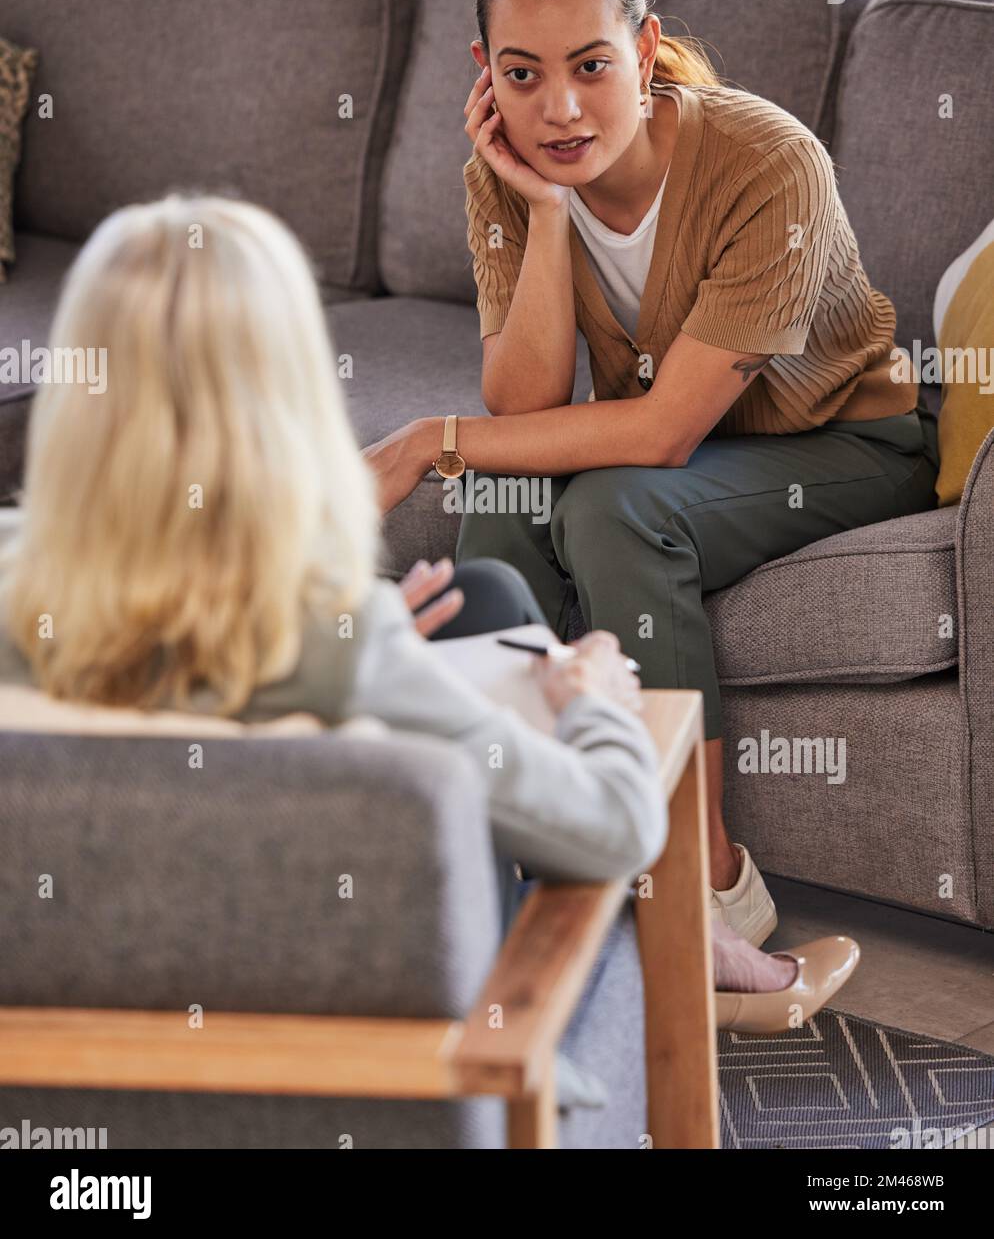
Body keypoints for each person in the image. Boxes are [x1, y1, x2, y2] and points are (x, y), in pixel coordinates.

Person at [0, 192, 857, 1035]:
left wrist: (369, 666)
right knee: (539, 694)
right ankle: (698, 942)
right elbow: (615, 828)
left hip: (74, 991)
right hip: (358, 1016)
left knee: (477, 603)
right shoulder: (332, 649)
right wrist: (591, 702)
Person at [362, 0, 939, 950]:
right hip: (686, 446)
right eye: (524, 74)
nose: (562, 107)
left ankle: (706, 882)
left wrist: (418, 442)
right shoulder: (504, 171)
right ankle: (532, 849)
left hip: (845, 445)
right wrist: (544, 213)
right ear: (483, 70)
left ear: (641, 45)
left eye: (591, 64)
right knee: (505, 495)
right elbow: (527, 410)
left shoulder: (768, 164)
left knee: (618, 508)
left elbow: (665, 434)